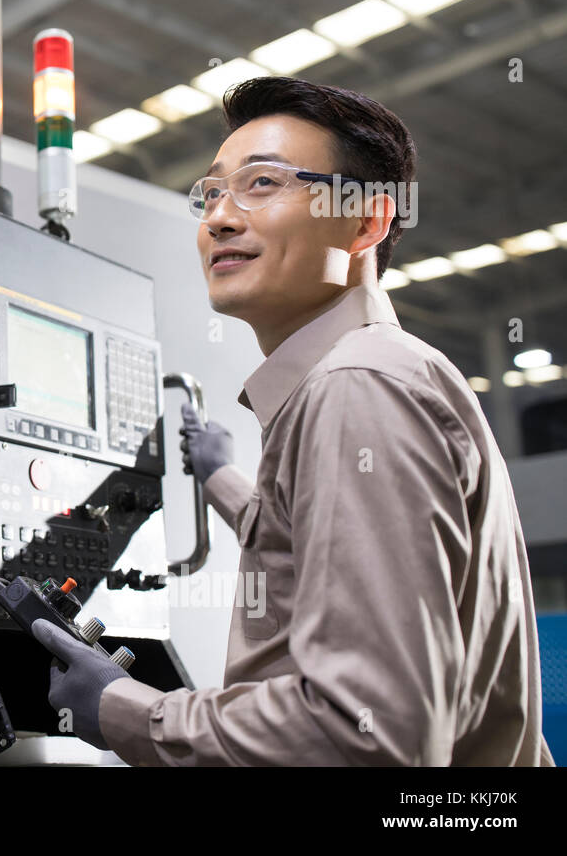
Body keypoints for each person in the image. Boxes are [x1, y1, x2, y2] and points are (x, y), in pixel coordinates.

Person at [32, 76, 555, 766]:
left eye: (262, 183)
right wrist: (219, 475)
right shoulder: (373, 374)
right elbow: (304, 547)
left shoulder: (358, 387)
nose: (219, 216)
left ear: (366, 222)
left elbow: (366, 731)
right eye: (212, 192)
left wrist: (128, 711)